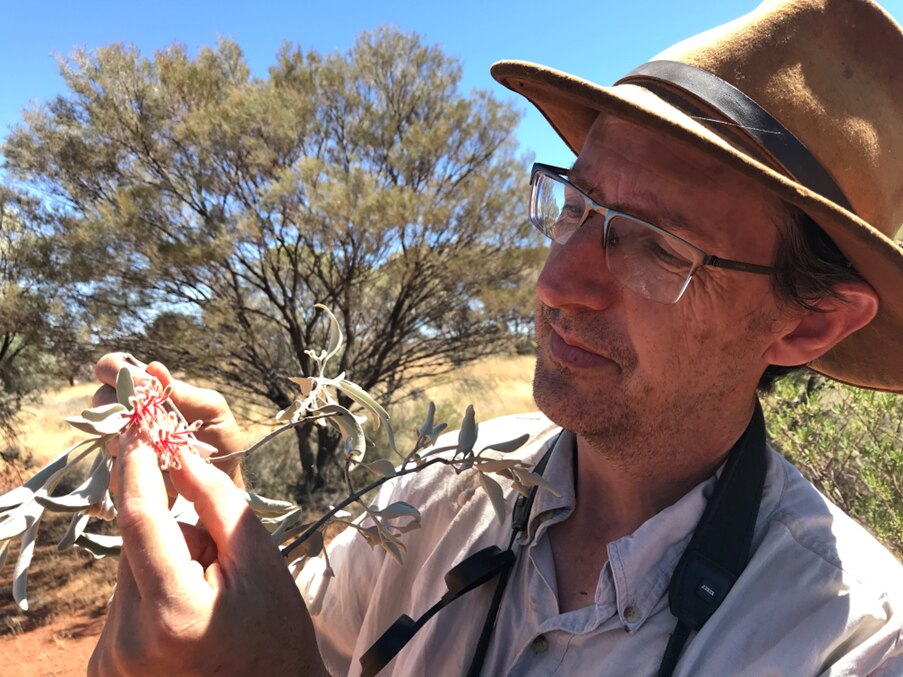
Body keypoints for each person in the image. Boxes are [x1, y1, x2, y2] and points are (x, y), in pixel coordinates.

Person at [88, 0, 903, 674]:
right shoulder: (441, 489)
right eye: (577, 206)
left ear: (809, 322)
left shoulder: (852, 642)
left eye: (658, 246)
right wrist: (217, 547)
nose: (558, 283)